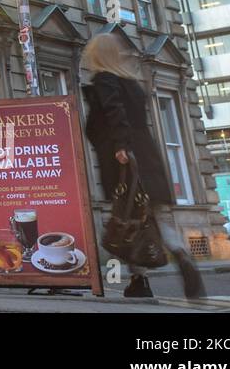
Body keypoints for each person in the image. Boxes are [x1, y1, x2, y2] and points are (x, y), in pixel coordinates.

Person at [81, 32, 205, 300]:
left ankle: (140, 280)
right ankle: (182, 256)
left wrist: (120, 147)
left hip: (124, 160)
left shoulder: (104, 80)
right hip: (148, 157)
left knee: (127, 222)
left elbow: (114, 113)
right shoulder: (133, 84)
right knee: (158, 217)